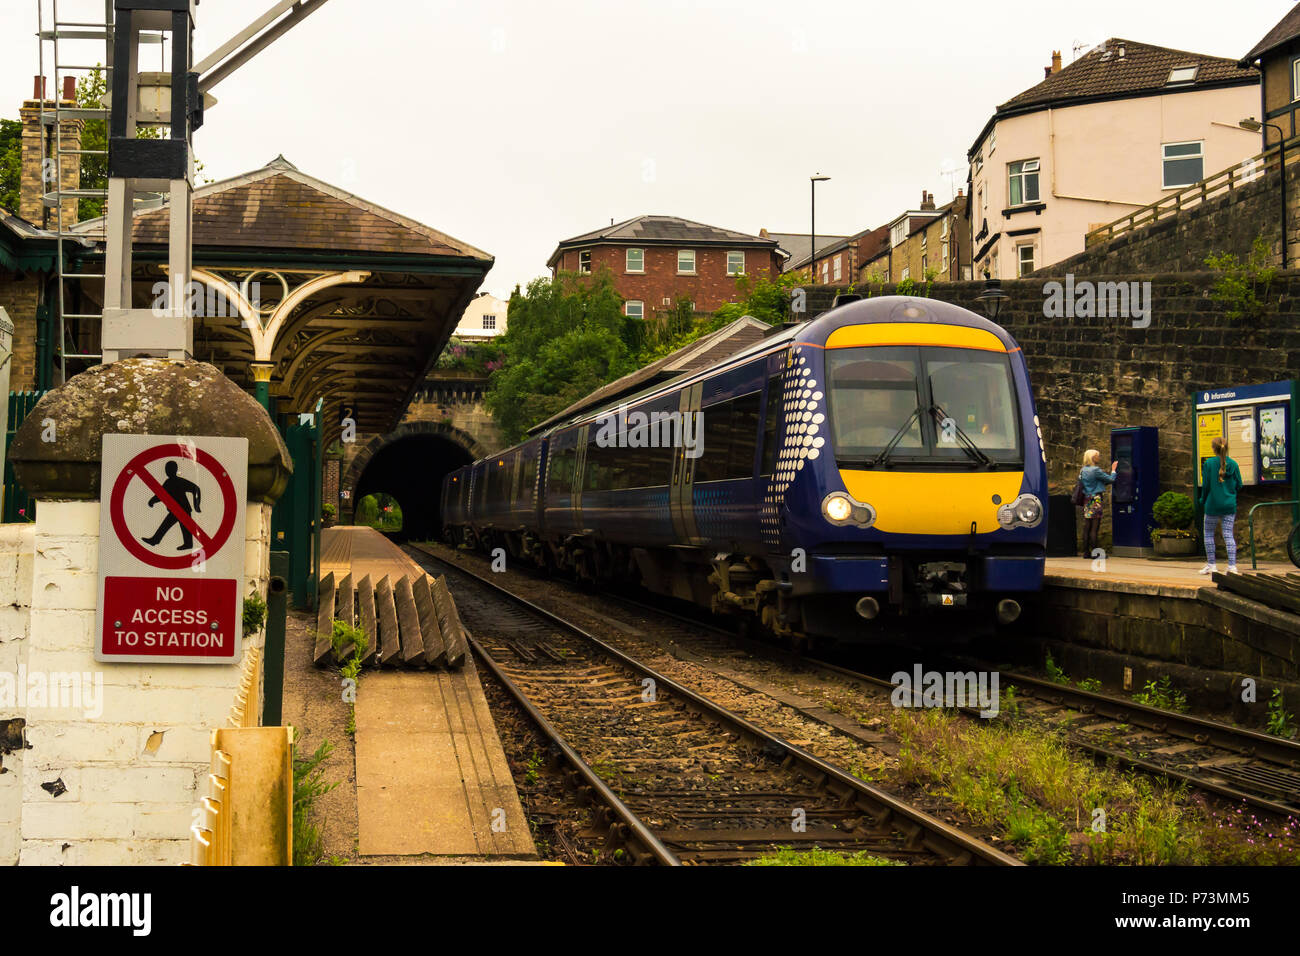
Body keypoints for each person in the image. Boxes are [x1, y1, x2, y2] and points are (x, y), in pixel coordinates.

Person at [1198, 436, 1242, 574]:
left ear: (1213, 448)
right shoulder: (1233, 464)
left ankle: (1212, 565)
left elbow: (1205, 486)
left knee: (1209, 533)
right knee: (1228, 534)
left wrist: (1202, 500)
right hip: (1229, 505)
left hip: (1212, 504)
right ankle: (1232, 566)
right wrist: (1230, 492)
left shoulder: (1209, 463)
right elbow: (1239, 484)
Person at [141, 460, 202, 551]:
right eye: (166, 469)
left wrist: (196, 505)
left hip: (182, 510)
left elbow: (196, 489)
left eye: (169, 469)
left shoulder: (176, 481)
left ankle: (155, 540)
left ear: (174, 470)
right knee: (180, 527)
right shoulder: (169, 482)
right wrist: (152, 501)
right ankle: (156, 540)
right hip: (177, 510)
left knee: (169, 526)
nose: (167, 471)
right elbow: (161, 494)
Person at [1078, 449, 1118, 558]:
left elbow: (1088, 482)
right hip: (1095, 499)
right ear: (1092, 458)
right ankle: (1097, 553)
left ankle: (1086, 552)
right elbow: (1111, 479)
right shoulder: (1096, 470)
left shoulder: (1083, 470)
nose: (1099, 458)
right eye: (1097, 456)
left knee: (1087, 526)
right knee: (1095, 528)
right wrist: (1113, 470)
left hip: (1087, 499)